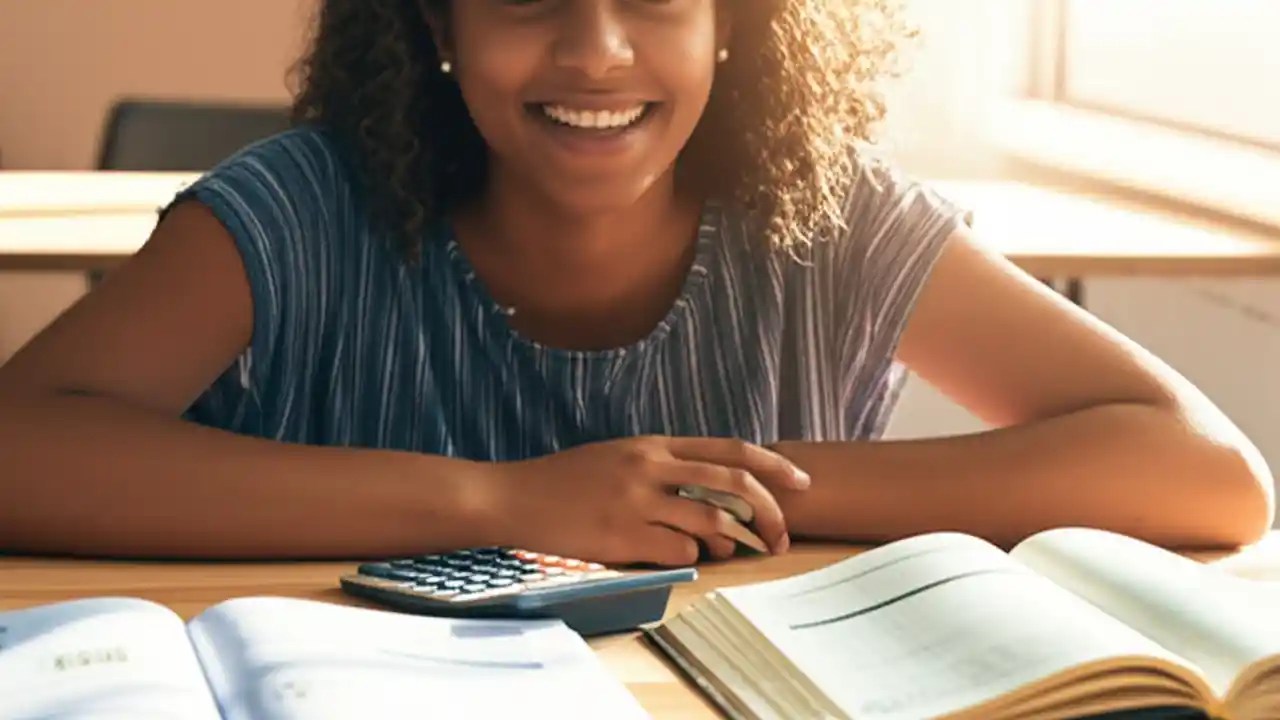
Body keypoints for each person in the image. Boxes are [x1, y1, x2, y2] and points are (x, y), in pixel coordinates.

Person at [0, 0, 1271, 565]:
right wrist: (505, 501)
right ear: (435, 27)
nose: (596, 48)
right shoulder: (296, 209)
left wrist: (701, 492)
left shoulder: (821, 214)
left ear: (731, 17)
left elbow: (1203, 478)